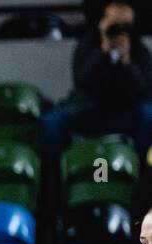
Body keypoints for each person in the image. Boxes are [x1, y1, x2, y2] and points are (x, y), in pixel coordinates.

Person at [42, 1, 152, 161]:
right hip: (88, 109)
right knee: (51, 122)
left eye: (125, 26)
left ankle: (142, 175)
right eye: (115, 25)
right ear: (103, 23)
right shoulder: (87, 45)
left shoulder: (139, 51)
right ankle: (57, 177)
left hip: (125, 111)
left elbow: (142, 90)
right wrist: (103, 52)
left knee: (149, 115)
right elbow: (83, 83)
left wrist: (127, 62)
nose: (120, 32)